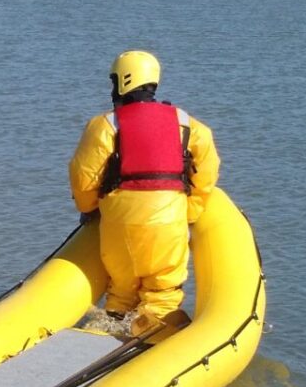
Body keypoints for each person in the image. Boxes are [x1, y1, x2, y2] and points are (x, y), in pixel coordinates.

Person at [69, 50, 221, 337]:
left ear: (123, 81)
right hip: (168, 224)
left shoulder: (105, 125)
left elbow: (83, 177)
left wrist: (89, 207)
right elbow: (208, 171)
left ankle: (110, 330)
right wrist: (192, 210)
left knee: (121, 291)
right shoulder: (189, 125)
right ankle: (155, 340)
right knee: (163, 291)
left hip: (120, 226)